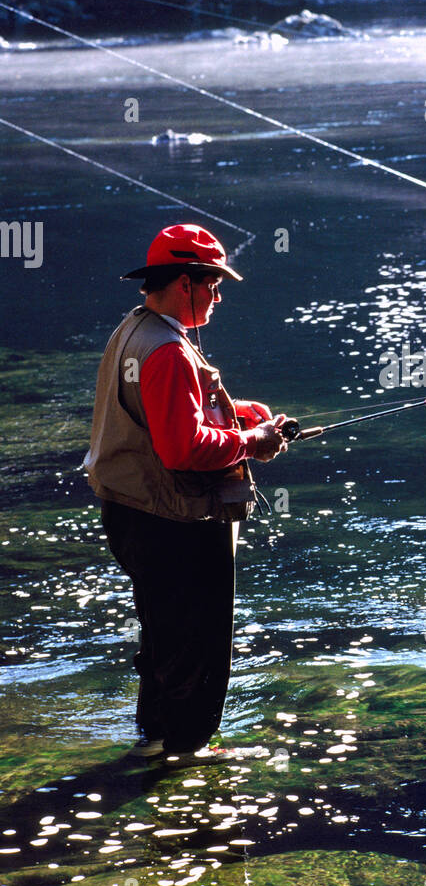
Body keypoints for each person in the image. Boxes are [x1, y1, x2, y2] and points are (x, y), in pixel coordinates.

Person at [84, 223, 292, 760]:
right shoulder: (169, 352)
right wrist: (252, 442)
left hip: (133, 514)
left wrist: (239, 414)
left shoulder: (134, 329)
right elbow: (181, 450)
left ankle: (155, 744)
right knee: (196, 652)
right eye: (213, 284)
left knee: (163, 643)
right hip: (175, 524)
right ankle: (188, 759)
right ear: (184, 283)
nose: (218, 295)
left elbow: (166, 416)